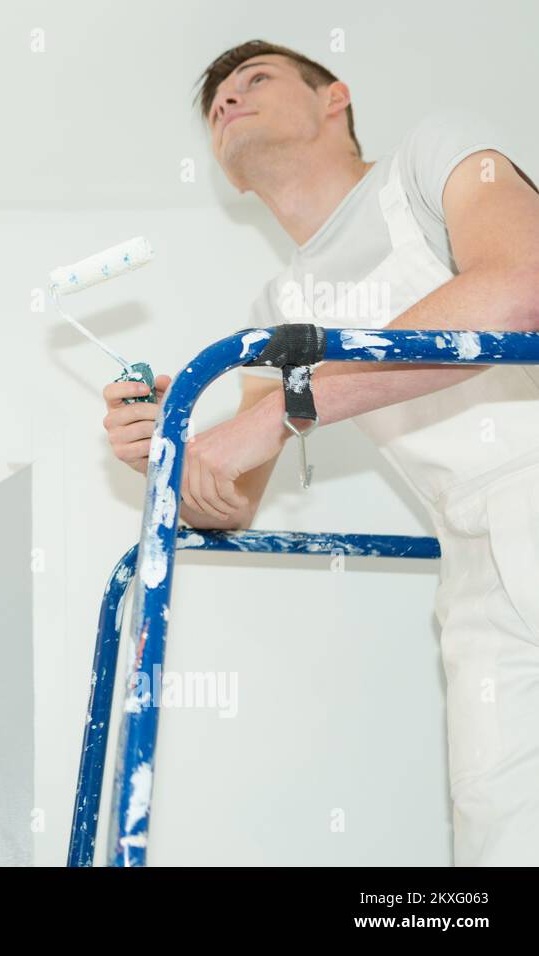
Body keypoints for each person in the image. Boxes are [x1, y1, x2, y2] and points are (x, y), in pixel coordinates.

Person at [103, 40, 539, 865]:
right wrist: (170, 448)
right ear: (231, 179)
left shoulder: (434, 157)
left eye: (254, 80)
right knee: (500, 830)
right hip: (471, 566)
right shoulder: (279, 306)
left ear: (335, 95)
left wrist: (283, 410)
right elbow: (228, 504)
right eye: (216, 104)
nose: (228, 100)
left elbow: (520, 292)